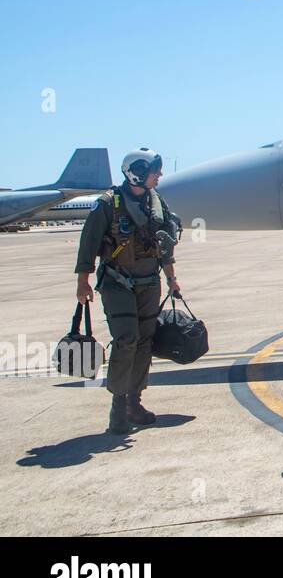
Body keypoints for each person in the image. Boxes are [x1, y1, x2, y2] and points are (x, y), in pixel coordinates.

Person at [75, 148, 182, 434]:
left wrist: (172, 278)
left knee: (145, 341)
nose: (159, 175)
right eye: (154, 171)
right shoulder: (108, 204)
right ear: (137, 171)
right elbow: (88, 244)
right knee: (127, 339)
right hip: (117, 281)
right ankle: (118, 407)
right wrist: (82, 282)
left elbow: (164, 244)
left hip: (150, 280)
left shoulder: (156, 202)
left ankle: (135, 402)